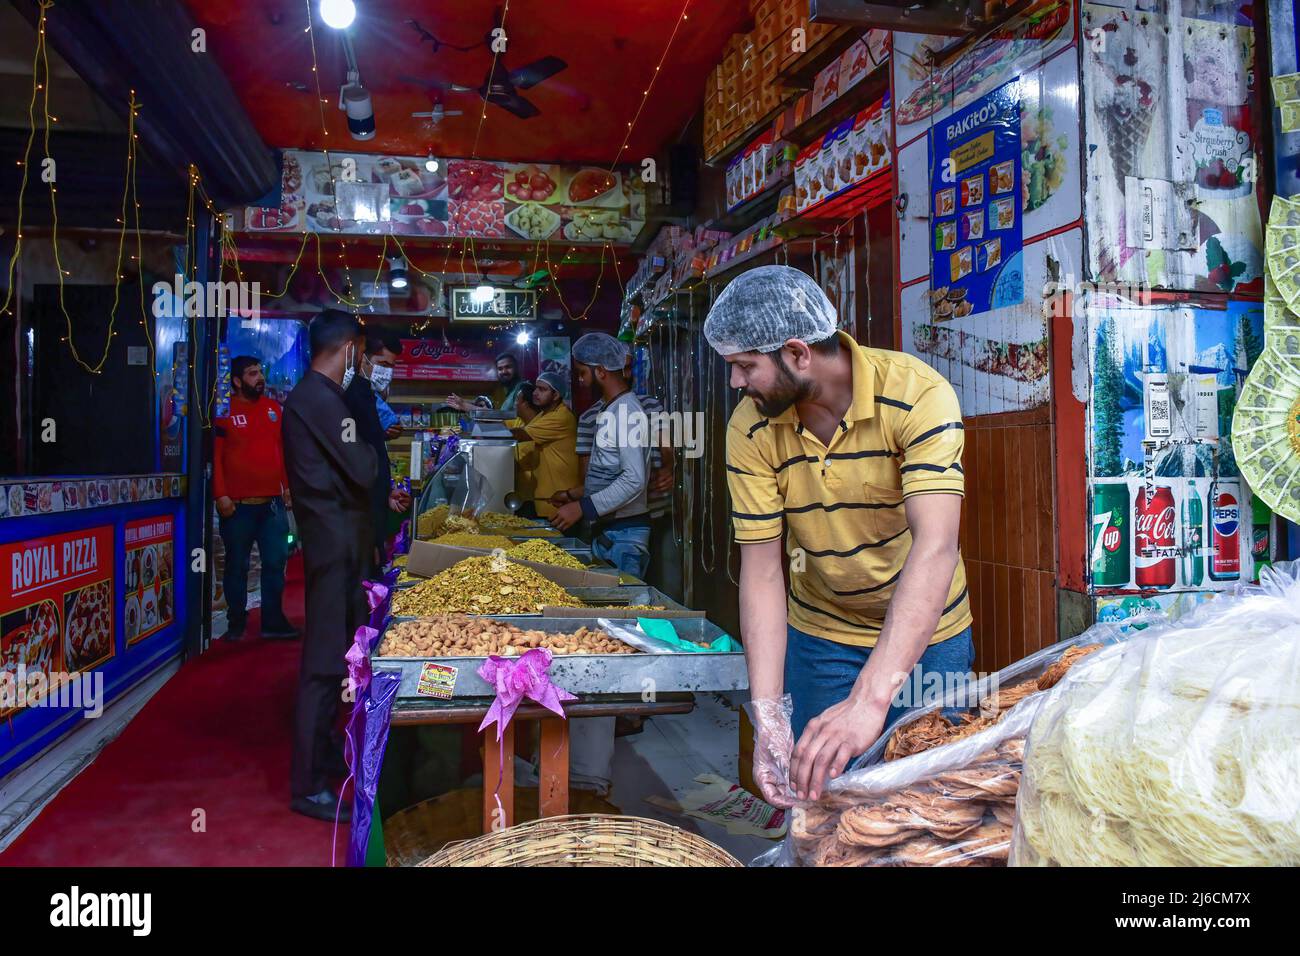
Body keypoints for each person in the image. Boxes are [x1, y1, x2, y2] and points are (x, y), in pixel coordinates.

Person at [704, 265, 973, 806]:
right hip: (822, 633)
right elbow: (761, 570)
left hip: (931, 638)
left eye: (744, 366)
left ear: (799, 353)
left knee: (927, 803)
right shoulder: (749, 427)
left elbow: (936, 545)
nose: (735, 382)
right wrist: (769, 713)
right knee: (825, 803)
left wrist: (871, 700)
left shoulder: (919, 395)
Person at [282, 309, 378, 822]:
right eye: (359, 352)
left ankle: (321, 772)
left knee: (333, 662)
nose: (360, 361)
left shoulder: (314, 399)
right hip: (332, 546)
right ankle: (310, 785)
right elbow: (363, 467)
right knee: (322, 667)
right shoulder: (321, 400)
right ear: (346, 350)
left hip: (333, 544)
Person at [550, 333, 652, 578]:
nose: (581, 380)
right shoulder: (612, 408)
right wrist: (576, 497)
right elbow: (608, 469)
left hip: (624, 536)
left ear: (602, 372)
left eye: (583, 372)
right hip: (611, 532)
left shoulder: (626, 412)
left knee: (624, 610)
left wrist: (583, 507)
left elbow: (634, 479)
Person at [212, 356, 296, 641]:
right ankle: (236, 622)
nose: (259, 378)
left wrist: (286, 487)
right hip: (237, 507)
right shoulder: (224, 412)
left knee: (275, 564)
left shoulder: (274, 410)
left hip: (272, 506)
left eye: (260, 372)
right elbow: (216, 457)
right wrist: (220, 493)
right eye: (252, 373)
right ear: (237, 381)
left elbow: (282, 451)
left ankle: (273, 621)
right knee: (237, 566)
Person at [344, 330, 412, 574]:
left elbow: (370, 446)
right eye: (382, 363)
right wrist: (370, 536)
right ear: (363, 358)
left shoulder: (368, 395)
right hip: (360, 516)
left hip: (373, 507)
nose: (387, 371)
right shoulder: (351, 395)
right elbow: (352, 458)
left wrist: (386, 492)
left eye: (391, 366)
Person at [508, 371, 578, 519]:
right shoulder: (543, 415)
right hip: (546, 498)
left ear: (556, 395)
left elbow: (521, 435)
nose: (535, 393)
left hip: (559, 501)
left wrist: (493, 434)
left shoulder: (561, 417)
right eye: (536, 388)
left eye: (542, 389)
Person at [447, 351, 524, 413]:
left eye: (508, 367)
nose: (504, 371)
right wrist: (464, 404)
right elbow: (501, 416)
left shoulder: (522, 388)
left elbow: (504, 418)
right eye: (500, 369)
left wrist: (465, 405)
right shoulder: (510, 391)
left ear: (516, 368)